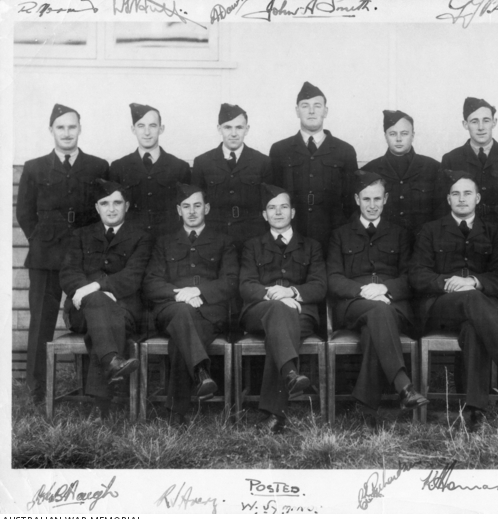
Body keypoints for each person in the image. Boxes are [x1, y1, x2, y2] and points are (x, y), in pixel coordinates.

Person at [409, 173, 498, 428]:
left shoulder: (492, 232)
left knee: (474, 327)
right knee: (472, 301)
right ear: (448, 199)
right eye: (456, 194)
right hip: (441, 307)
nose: (461, 199)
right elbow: (417, 274)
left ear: (477, 198)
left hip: (479, 310)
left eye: (467, 193)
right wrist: (450, 283)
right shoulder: (431, 230)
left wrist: (474, 282)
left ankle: (474, 411)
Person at [17, 103, 108, 403]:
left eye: (72, 127)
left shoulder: (97, 166)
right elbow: (25, 213)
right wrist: (40, 239)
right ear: (51, 131)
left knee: (89, 317)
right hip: (46, 257)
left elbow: (102, 211)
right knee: (41, 322)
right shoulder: (34, 167)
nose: (67, 133)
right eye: (60, 127)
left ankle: (93, 389)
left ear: (80, 129)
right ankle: (35, 392)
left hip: (85, 258)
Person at [326, 170, 427, 424]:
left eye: (377, 199)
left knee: (377, 324)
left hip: (391, 305)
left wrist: (384, 289)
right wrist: (362, 291)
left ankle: (366, 406)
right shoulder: (340, 234)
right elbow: (334, 278)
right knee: (377, 312)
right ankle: (402, 384)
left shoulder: (400, 233)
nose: (372, 205)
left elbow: (410, 277)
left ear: (386, 199)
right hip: (352, 306)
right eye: (366, 199)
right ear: (357, 200)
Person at [143, 183, 239, 425]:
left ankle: (177, 413)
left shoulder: (224, 241)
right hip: (171, 308)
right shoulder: (165, 242)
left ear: (206, 208)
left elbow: (230, 282)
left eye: (197, 205)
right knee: (182, 314)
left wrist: (198, 291)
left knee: (181, 336)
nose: (192, 211)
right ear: (178, 210)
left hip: (209, 313)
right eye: (186, 206)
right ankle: (200, 370)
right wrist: (180, 295)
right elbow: (151, 283)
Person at [59, 179, 153, 417]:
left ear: (127, 206)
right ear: (96, 207)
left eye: (117, 203)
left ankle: (102, 404)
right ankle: (111, 364)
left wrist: (95, 287)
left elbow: (134, 276)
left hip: (123, 311)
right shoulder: (80, 235)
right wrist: (91, 293)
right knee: (100, 306)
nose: (111, 208)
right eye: (105, 203)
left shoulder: (141, 238)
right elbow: (69, 274)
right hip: (80, 312)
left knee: (103, 316)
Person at [239, 184, 327, 433]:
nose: (278, 212)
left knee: (279, 329)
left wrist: (292, 293)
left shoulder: (311, 246)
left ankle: (276, 412)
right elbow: (245, 285)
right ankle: (289, 375)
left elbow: (320, 286)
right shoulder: (252, 245)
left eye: (284, 207)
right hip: (259, 312)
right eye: (271, 208)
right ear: (264, 215)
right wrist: (271, 294)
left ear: (293, 212)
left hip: (301, 313)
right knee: (278, 314)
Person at [439, 97, 498, 336]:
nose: (480, 126)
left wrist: (494, 239)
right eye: (474, 121)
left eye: (486, 120)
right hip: (462, 253)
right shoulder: (451, 159)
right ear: (464, 124)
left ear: (494, 122)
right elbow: (446, 207)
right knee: (467, 320)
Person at [270, 82, 358, 253]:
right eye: (305, 106)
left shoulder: (344, 150)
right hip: (294, 232)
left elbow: (351, 202)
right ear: (297, 111)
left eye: (317, 106)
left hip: (332, 233)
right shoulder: (280, 150)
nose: (311, 111)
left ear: (325, 111)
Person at [192, 104, 272, 253]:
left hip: (253, 238)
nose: (233, 133)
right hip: (214, 238)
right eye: (228, 127)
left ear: (247, 129)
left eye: (239, 127)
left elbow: (269, 205)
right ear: (219, 129)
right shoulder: (203, 162)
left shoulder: (262, 162)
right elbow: (196, 206)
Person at [109, 103, 190, 239]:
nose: (147, 132)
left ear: (161, 129)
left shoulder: (180, 167)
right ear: (133, 129)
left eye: (152, 126)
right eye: (141, 126)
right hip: (130, 242)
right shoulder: (118, 167)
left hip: (168, 242)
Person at [360, 110, 442, 240]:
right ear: (385, 136)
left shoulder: (434, 168)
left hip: (423, 243)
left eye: (404, 133)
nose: (398, 139)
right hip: (384, 244)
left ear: (413, 135)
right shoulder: (369, 170)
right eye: (392, 134)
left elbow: (442, 211)